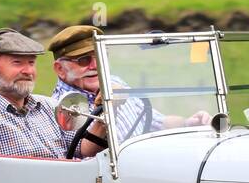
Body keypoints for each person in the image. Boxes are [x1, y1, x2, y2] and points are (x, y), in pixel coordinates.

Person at [0, 15, 107, 158]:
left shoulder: (49, 106)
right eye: (17, 62)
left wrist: (105, 111)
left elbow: (84, 149)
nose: (28, 70)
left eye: (31, 62)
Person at [47, 25, 212, 141]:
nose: (95, 66)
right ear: (60, 69)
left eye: (99, 56)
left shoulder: (115, 82)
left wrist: (188, 123)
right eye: (84, 60)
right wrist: (108, 108)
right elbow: (82, 156)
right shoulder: (59, 107)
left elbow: (155, 121)